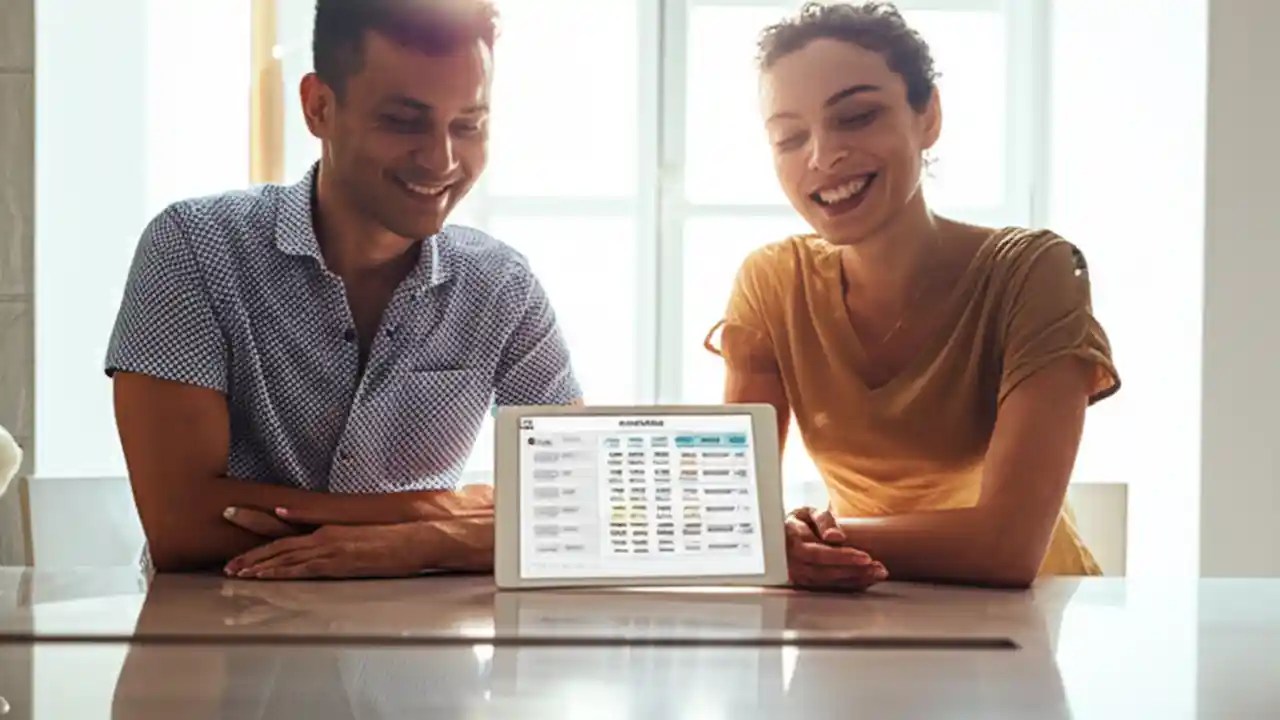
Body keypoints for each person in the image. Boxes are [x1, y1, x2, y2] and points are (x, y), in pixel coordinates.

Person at [106, 0, 581, 578]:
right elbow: (184, 525)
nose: (441, 159)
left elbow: (575, 514)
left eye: (468, 125)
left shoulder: (502, 286)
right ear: (318, 108)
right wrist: (441, 511)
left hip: (420, 652)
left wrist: (425, 544)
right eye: (404, 122)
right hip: (220, 645)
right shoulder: (194, 247)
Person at [705, 1, 1119, 589]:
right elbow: (735, 518)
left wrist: (811, 540)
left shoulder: (1035, 271)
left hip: (1030, 621)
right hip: (861, 602)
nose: (821, 158)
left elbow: (1008, 546)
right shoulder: (773, 280)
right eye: (790, 137)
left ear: (928, 116)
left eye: (857, 116)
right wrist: (780, 542)